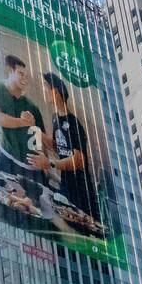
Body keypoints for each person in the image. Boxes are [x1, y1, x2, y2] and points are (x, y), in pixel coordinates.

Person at [31, 72, 99, 221]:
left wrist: (49, 163)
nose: (45, 92)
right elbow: (57, 147)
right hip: (66, 185)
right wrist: (35, 129)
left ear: (54, 92)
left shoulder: (74, 124)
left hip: (81, 191)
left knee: (86, 227)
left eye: (46, 88)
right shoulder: (56, 118)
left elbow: (79, 160)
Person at [0, 54, 44, 161]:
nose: (24, 79)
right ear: (10, 71)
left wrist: (44, 163)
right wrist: (25, 122)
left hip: (32, 167)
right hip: (6, 158)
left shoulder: (32, 107)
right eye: (21, 74)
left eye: (26, 76)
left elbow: (38, 138)